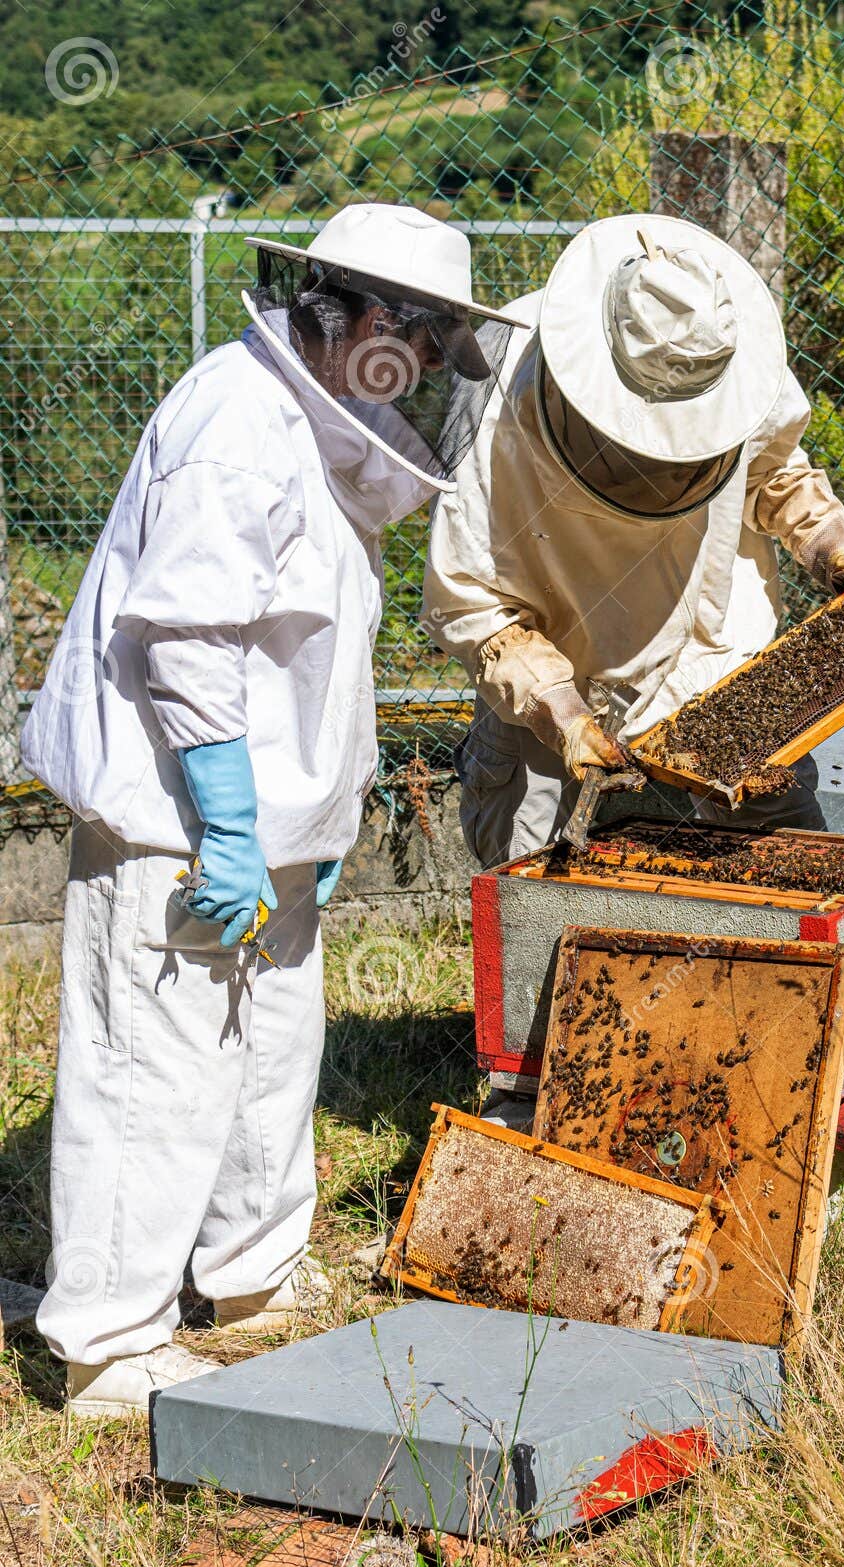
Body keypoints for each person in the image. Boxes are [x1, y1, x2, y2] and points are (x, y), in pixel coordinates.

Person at [22, 202, 523, 1418]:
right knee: (159, 1066)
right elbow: (190, 640)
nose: (421, 374)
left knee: (268, 1051)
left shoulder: (302, 420)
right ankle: (109, 1340)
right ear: (362, 318)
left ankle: (246, 1274)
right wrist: (233, 825)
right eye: (421, 341)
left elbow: (296, 642)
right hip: (176, 817)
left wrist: (306, 819)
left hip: (269, 820)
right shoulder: (235, 426)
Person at [422, 215, 844, 869]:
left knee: (784, 849)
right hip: (557, 661)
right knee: (526, 868)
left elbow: (774, 471)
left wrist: (827, 539)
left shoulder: (729, 356)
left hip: (712, 655)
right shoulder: (497, 393)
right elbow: (471, 599)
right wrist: (560, 711)